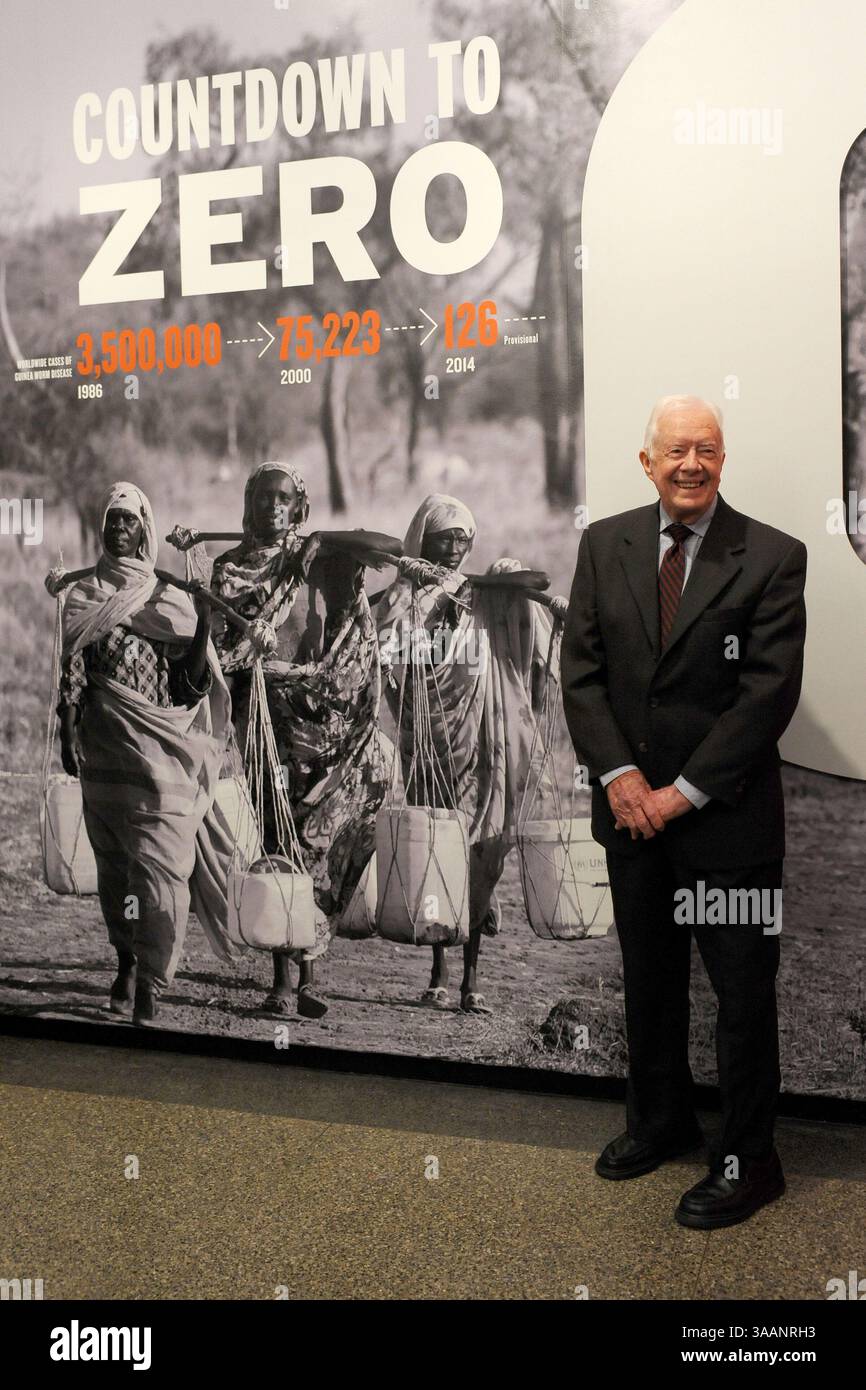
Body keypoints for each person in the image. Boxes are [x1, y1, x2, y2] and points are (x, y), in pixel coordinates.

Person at [561, 395, 807, 1229]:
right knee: (650, 983)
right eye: (675, 451)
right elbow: (582, 677)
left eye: (706, 449)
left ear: (723, 457)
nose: (691, 464)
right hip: (631, 820)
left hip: (726, 823)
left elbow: (766, 696)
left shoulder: (773, 556)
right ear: (647, 462)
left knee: (742, 999)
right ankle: (660, 1120)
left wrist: (680, 792)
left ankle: (749, 1162)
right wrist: (621, 777)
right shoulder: (604, 544)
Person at [210, 461, 392, 1019]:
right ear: (248, 504)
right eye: (262, 496)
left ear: (299, 506)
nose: (272, 506)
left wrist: (320, 541)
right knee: (275, 842)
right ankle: (282, 979)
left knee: (320, 846)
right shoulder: (227, 570)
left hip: (322, 729)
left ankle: (309, 973)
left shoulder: (324, 564)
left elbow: (385, 546)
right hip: (263, 724)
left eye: (283, 498)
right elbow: (220, 655)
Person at [376, 494, 566, 1014]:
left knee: (482, 852)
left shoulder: (481, 597)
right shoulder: (406, 599)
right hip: (431, 747)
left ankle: (472, 977)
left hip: (482, 744)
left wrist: (526, 593)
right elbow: (386, 660)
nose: (455, 549)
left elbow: (523, 615)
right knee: (438, 848)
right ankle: (439, 970)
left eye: (463, 539)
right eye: (444, 538)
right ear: (424, 539)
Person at [57, 482, 235, 1027]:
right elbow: (73, 674)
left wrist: (204, 622)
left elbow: (190, 685)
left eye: (128, 521)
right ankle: (127, 961)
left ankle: (153, 980)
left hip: (162, 760)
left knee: (159, 869)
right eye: (112, 520)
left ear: (145, 531)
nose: (118, 529)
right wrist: (67, 732)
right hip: (105, 754)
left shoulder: (171, 602)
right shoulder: (85, 596)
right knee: (116, 868)